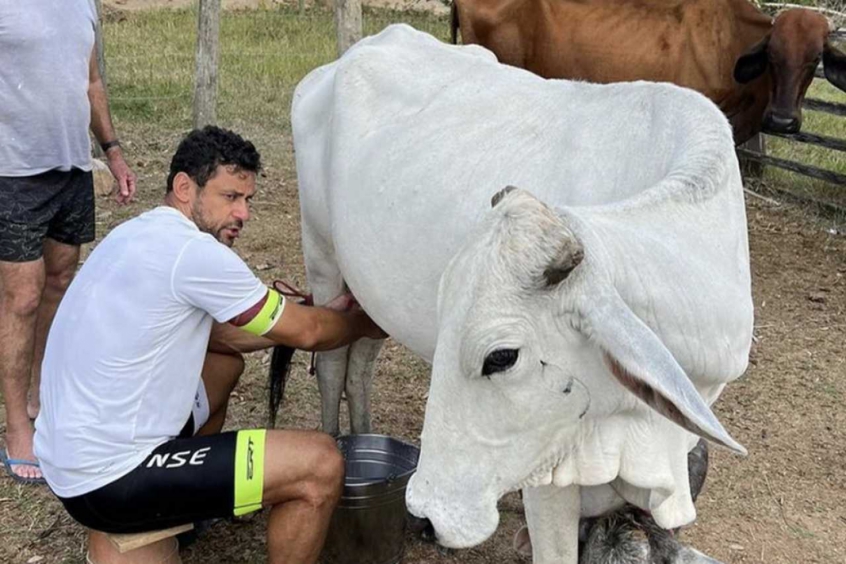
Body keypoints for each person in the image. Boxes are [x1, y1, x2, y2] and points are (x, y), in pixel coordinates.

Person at [33, 126, 384, 564]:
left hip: (69, 461)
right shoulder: (194, 254)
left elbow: (225, 334)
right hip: (115, 478)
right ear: (184, 187)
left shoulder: (136, 233)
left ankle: (192, 508)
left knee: (221, 363)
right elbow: (308, 333)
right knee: (320, 464)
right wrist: (364, 323)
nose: (243, 213)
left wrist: (320, 312)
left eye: (248, 200)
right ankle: (169, 500)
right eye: (230, 196)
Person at [0, 0, 137, 484]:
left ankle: (39, 396)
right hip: (12, 172)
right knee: (21, 298)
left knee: (59, 282)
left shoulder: (83, 3)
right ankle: (17, 426)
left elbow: (91, 81)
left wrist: (113, 153)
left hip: (71, 169)